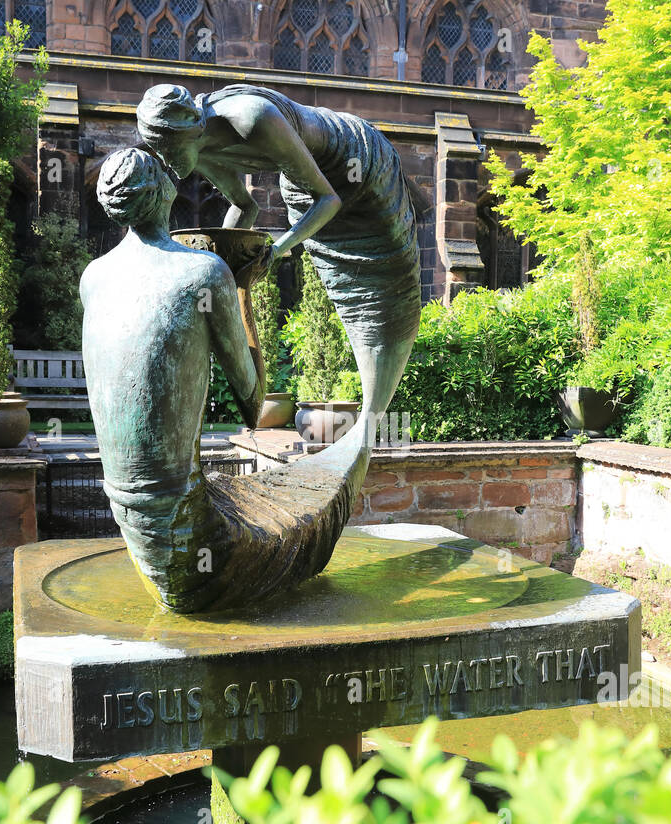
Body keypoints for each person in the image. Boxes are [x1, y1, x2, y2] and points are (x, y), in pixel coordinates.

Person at [81, 146, 350, 613]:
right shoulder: (203, 273)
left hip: (125, 508)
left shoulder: (93, 275)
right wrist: (241, 288)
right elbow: (253, 405)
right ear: (165, 193)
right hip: (185, 522)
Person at [134, 83, 421, 427]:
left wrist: (277, 249)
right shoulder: (202, 149)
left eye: (166, 148)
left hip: (354, 162)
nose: (165, 161)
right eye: (157, 150)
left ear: (189, 132)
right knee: (350, 291)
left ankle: (371, 424)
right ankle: (366, 430)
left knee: (384, 291)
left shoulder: (253, 118)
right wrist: (226, 259)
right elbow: (245, 206)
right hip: (301, 186)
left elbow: (329, 200)